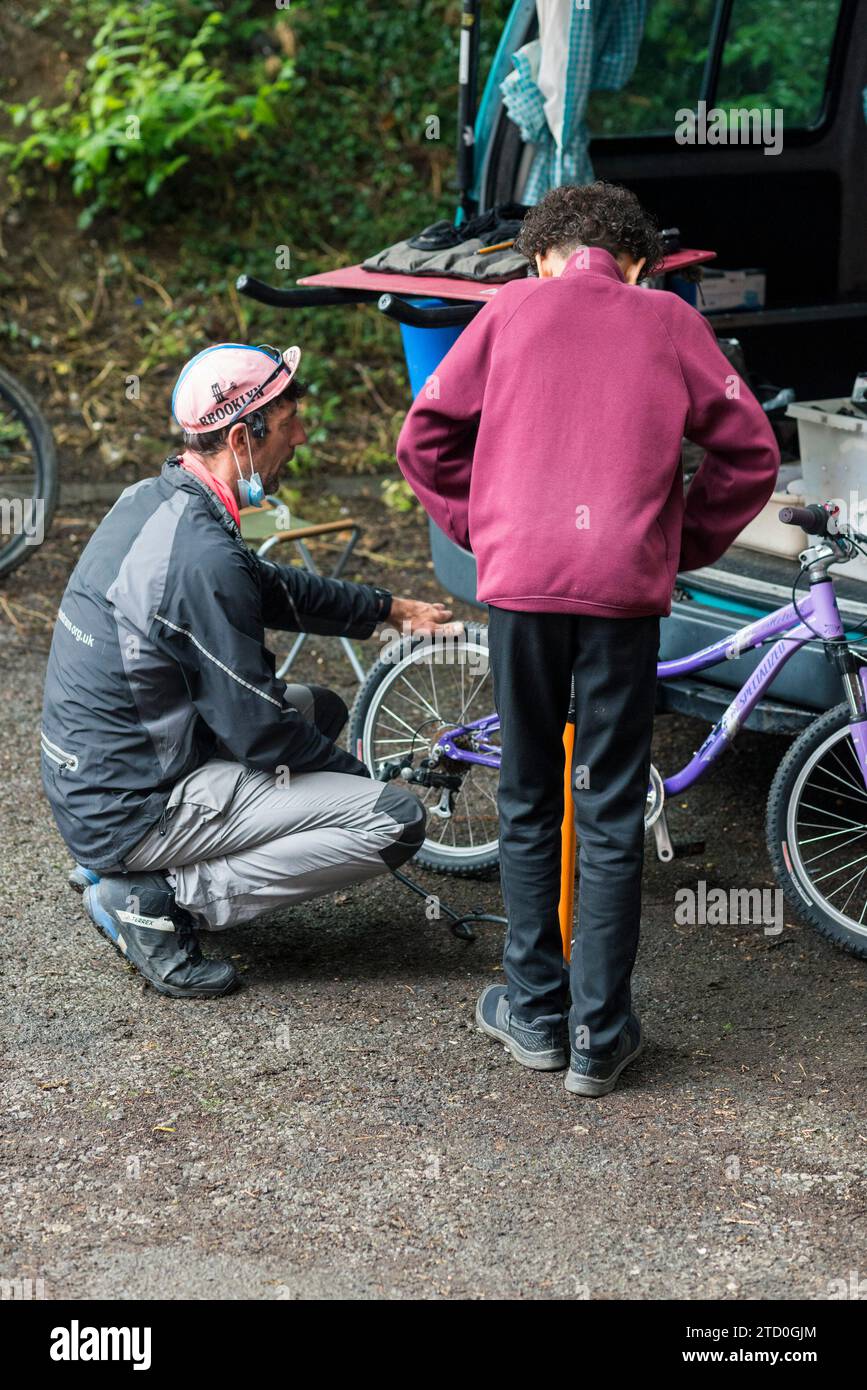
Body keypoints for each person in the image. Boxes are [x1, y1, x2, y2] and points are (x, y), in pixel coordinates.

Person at [396, 181, 780, 1097]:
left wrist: (486, 531)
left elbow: (425, 441)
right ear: (639, 261)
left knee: (527, 797)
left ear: (539, 258)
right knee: (608, 806)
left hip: (522, 588)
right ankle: (599, 1039)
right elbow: (751, 454)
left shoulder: (506, 309)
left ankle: (533, 1015)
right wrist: (671, 544)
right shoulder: (667, 321)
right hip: (621, 594)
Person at [41, 341, 459, 999]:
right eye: (290, 420)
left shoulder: (159, 501)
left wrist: (389, 610)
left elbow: (267, 587)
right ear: (242, 435)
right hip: (132, 804)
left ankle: (120, 867)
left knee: (319, 709)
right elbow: (258, 732)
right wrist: (357, 777)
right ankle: (159, 899)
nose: (300, 435)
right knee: (390, 818)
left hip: (101, 774)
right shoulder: (201, 561)